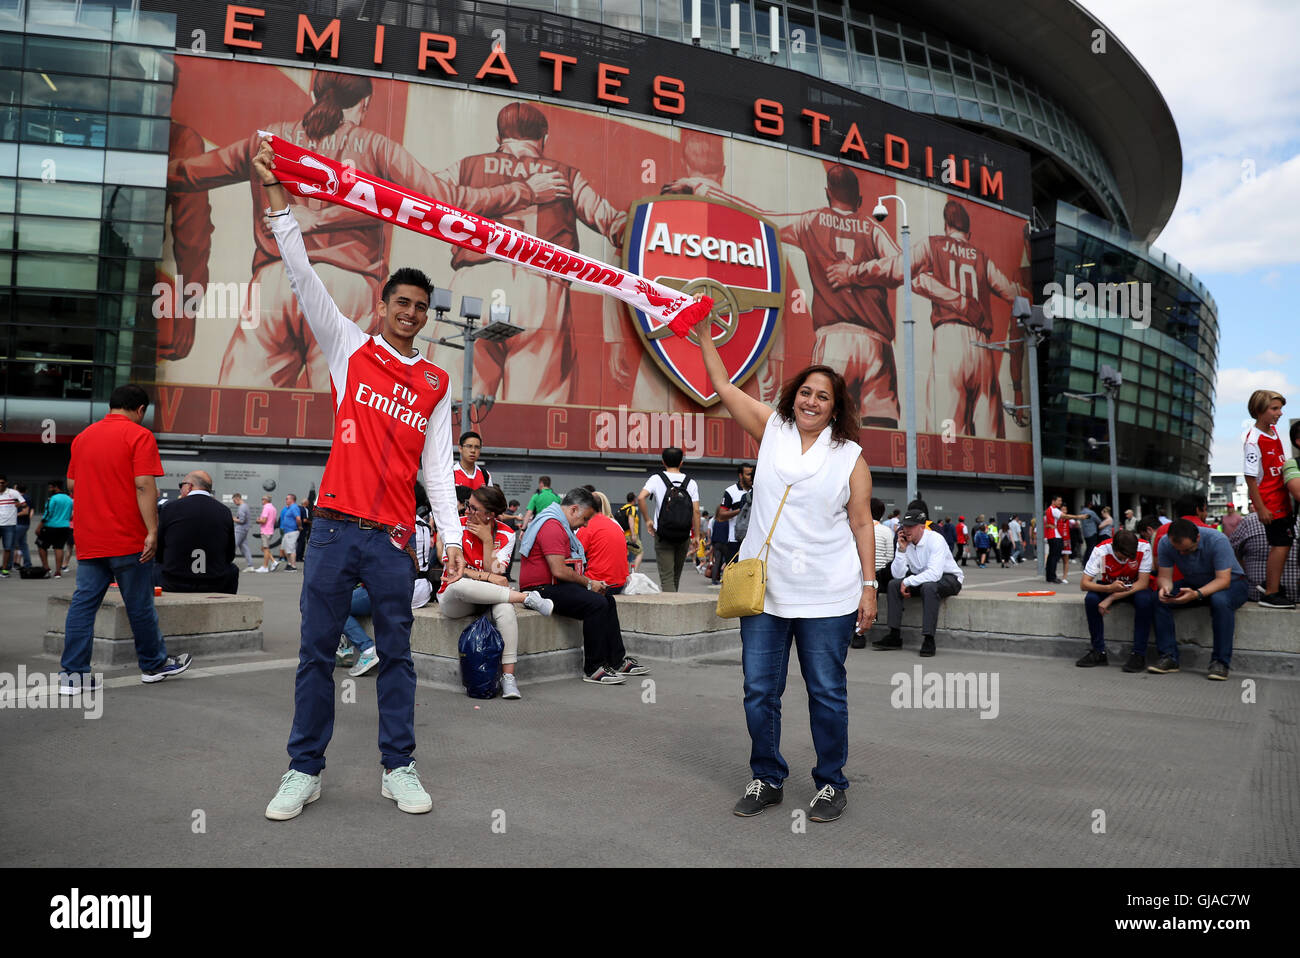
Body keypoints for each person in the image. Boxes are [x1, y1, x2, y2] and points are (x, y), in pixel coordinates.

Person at [255, 150, 465, 822]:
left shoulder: (438, 383)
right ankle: (303, 770)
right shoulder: (350, 349)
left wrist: (454, 537)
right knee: (316, 652)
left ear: (427, 317)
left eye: (419, 307)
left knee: (398, 657)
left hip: (394, 540)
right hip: (335, 529)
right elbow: (301, 274)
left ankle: (398, 766)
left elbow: (437, 468)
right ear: (383, 306)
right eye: (401, 302)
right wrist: (276, 198)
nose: (409, 313)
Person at [166, 71, 550, 390]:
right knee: (344, 418)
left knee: (242, 403)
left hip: (273, 283)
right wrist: (523, 190)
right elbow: (447, 198)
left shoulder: (266, 142)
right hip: (347, 292)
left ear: (316, 94)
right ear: (364, 104)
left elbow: (185, 174)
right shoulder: (377, 147)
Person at [696, 309, 877, 825]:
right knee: (759, 690)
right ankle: (768, 777)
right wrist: (707, 336)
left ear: (835, 408)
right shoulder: (771, 428)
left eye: (823, 396)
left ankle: (831, 783)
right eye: (805, 392)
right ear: (793, 396)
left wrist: (869, 588)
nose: (811, 401)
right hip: (766, 593)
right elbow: (721, 385)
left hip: (828, 594)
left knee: (825, 691)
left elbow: (862, 525)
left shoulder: (850, 458)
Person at [58, 384, 193, 694]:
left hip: (91, 538)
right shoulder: (139, 435)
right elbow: (145, 486)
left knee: (83, 604)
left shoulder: (83, 438)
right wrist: (153, 531)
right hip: (128, 537)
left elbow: (72, 483)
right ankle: (153, 664)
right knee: (139, 604)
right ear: (140, 410)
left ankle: (73, 675)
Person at [434, 484, 554, 701]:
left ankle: (508, 678)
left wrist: (488, 541)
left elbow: (498, 573)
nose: (466, 511)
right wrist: (488, 577)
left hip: (487, 596)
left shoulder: (506, 534)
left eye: (472, 508)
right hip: (454, 599)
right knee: (459, 584)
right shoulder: (456, 527)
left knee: (506, 608)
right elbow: (455, 572)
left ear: (489, 515)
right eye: (467, 506)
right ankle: (525, 597)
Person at [518, 487, 645, 685]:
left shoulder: (559, 524)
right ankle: (594, 667)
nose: (585, 524)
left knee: (607, 600)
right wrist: (588, 583)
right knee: (597, 603)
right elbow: (558, 570)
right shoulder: (552, 525)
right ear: (574, 509)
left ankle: (616, 660)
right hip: (540, 589)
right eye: (585, 518)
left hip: (553, 585)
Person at [338, 508, 437, 679]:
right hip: (422, 589)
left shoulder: (393, 522)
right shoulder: (424, 524)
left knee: (337, 605)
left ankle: (367, 648)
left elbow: (382, 562)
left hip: (396, 588)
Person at [1148, 519, 1251, 680]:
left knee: (1220, 601)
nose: (1182, 554)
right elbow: (1164, 576)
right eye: (1178, 550)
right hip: (1194, 582)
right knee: (1158, 599)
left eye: (1188, 550)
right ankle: (1168, 657)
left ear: (1197, 538)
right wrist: (1165, 589)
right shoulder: (1165, 543)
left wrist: (1197, 594)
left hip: (1233, 583)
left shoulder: (1217, 540)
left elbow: (1223, 580)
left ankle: (1220, 662)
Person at [876, 508, 963, 657]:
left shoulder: (935, 539)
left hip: (949, 578)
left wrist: (909, 581)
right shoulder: (905, 542)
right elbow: (897, 574)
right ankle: (894, 635)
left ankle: (929, 639)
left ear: (922, 527)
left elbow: (935, 574)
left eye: (911, 526)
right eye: (905, 526)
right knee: (893, 585)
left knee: (929, 588)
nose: (906, 530)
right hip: (922, 577)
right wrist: (901, 551)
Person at [1074, 529, 1154, 670]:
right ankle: (1099, 651)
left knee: (1145, 600)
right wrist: (1110, 588)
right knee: (1091, 599)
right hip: (1110, 585)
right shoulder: (1100, 550)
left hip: (1133, 587)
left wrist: (1111, 597)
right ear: (1114, 548)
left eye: (1130, 557)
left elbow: (1143, 583)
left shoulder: (1144, 547)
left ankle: (1139, 654)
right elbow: (1084, 584)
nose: (1126, 560)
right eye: (1122, 557)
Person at [1243, 389, 1293, 608]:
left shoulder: (1273, 432)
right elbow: (1251, 478)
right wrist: (1260, 507)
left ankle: (1271, 584)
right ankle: (1270, 593)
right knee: (1280, 544)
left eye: (1280, 408)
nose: (1279, 413)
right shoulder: (1253, 440)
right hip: (1271, 502)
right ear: (1259, 410)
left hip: (1282, 499)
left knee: (1285, 542)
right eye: (1274, 409)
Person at [155, 471, 239, 594]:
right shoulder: (224, 511)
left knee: (154, 567)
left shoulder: (170, 508)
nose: (180, 490)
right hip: (215, 582)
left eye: (181, 485)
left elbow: (159, 551)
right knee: (232, 570)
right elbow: (230, 555)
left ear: (189, 486)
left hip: (173, 581)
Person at [637, 447, 701, 593]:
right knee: (676, 577)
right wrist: (696, 536)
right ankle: (675, 606)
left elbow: (640, 498)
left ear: (663, 462)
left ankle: (670, 611)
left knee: (667, 578)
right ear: (681, 463)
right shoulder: (691, 482)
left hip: (663, 535)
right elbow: (696, 511)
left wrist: (647, 520)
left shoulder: (656, 478)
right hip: (683, 535)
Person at [1228, 510, 1300, 607]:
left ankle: (1270, 587)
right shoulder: (1251, 520)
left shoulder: (1250, 521)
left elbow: (1231, 550)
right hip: (1293, 595)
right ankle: (1271, 589)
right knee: (1281, 545)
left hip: (1255, 594)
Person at [852, 497, 895, 650]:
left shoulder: (855, 529)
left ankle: (856, 633)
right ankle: (860, 632)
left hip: (858, 574)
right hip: (879, 576)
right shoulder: (886, 531)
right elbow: (890, 557)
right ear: (882, 514)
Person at [577, 491, 631, 595]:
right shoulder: (614, 524)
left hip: (600, 585)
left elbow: (574, 556)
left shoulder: (587, 526)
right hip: (619, 584)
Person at [713, 463, 754, 585]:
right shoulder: (731, 491)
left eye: (752, 474)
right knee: (734, 573)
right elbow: (721, 515)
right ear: (740, 475)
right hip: (735, 540)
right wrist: (740, 510)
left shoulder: (757, 490)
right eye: (748, 474)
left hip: (752, 539)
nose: (751, 477)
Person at [1044, 496, 1087, 584]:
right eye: (1059, 500)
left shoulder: (1049, 509)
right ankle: (1052, 577)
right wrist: (1079, 516)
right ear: (1053, 501)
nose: (1060, 502)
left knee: (1052, 557)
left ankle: (1049, 576)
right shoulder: (1054, 509)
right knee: (1054, 557)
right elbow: (1065, 516)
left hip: (1052, 535)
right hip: (1055, 536)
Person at [35, 481, 74, 578]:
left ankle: (46, 568)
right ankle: (58, 572)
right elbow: (71, 515)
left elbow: (48, 513)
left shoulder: (52, 498)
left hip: (51, 526)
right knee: (59, 548)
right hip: (65, 526)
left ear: (55, 487)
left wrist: (39, 526)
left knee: (41, 546)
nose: (49, 489)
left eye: (50, 487)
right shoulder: (69, 499)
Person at [0, 475, 24, 576]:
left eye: (2, 483)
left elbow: (24, 503)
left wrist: (19, 504)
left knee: (8, 548)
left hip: (9, 525)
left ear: (6, 483)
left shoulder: (13, 493)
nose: (0, 485)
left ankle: (4, 569)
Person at [278, 493, 303, 572]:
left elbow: (298, 518)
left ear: (292, 500)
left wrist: (299, 526)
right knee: (286, 549)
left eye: (287, 498)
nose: (286, 500)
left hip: (292, 531)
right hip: (287, 532)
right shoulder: (289, 508)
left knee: (291, 549)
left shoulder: (294, 507)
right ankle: (289, 564)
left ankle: (293, 566)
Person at [231, 493, 256, 571]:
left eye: (234, 501)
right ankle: (250, 565)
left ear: (237, 499)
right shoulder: (245, 506)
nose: (234, 503)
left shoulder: (242, 507)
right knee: (245, 548)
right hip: (244, 529)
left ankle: (226, 563)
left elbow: (241, 520)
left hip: (240, 530)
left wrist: (233, 519)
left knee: (232, 546)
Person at [256, 494, 277, 573]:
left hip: (265, 531)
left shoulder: (266, 507)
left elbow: (264, 520)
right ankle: (274, 561)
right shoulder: (273, 508)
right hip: (270, 530)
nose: (262, 500)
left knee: (265, 549)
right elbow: (274, 521)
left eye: (263, 499)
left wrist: (258, 520)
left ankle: (265, 567)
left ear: (266, 500)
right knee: (264, 548)